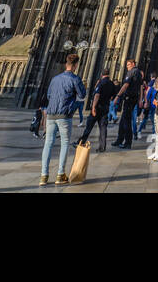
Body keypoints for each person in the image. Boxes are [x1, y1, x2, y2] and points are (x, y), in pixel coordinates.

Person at [40, 53, 86, 186]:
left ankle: (43, 176)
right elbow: (82, 95)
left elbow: (49, 95)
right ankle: (60, 174)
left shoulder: (55, 78)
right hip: (64, 114)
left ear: (66, 64)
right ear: (76, 65)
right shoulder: (75, 79)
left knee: (48, 143)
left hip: (51, 114)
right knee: (65, 143)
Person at [113, 59, 143, 149]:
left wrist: (117, 96)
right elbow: (141, 87)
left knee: (126, 120)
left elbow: (125, 85)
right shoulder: (139, 73)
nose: (127, 67)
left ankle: (128, 142)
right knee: (123, 119)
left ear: (133, 64)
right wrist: (140, 99)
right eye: (127, 65)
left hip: (129, 98)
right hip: (134, 98)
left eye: (128, 65)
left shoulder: (131, 72)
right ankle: (119, 140)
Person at [89, 70, 118, 154]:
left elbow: (97, 94)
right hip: (106, 107)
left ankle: (81, 141)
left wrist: (93, 107)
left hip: (98, 107)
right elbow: (113, 95)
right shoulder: (111, 83)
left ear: (101, 74)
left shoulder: (101, 82)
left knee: (89, 125)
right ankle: (102, 146)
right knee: (103, 128)